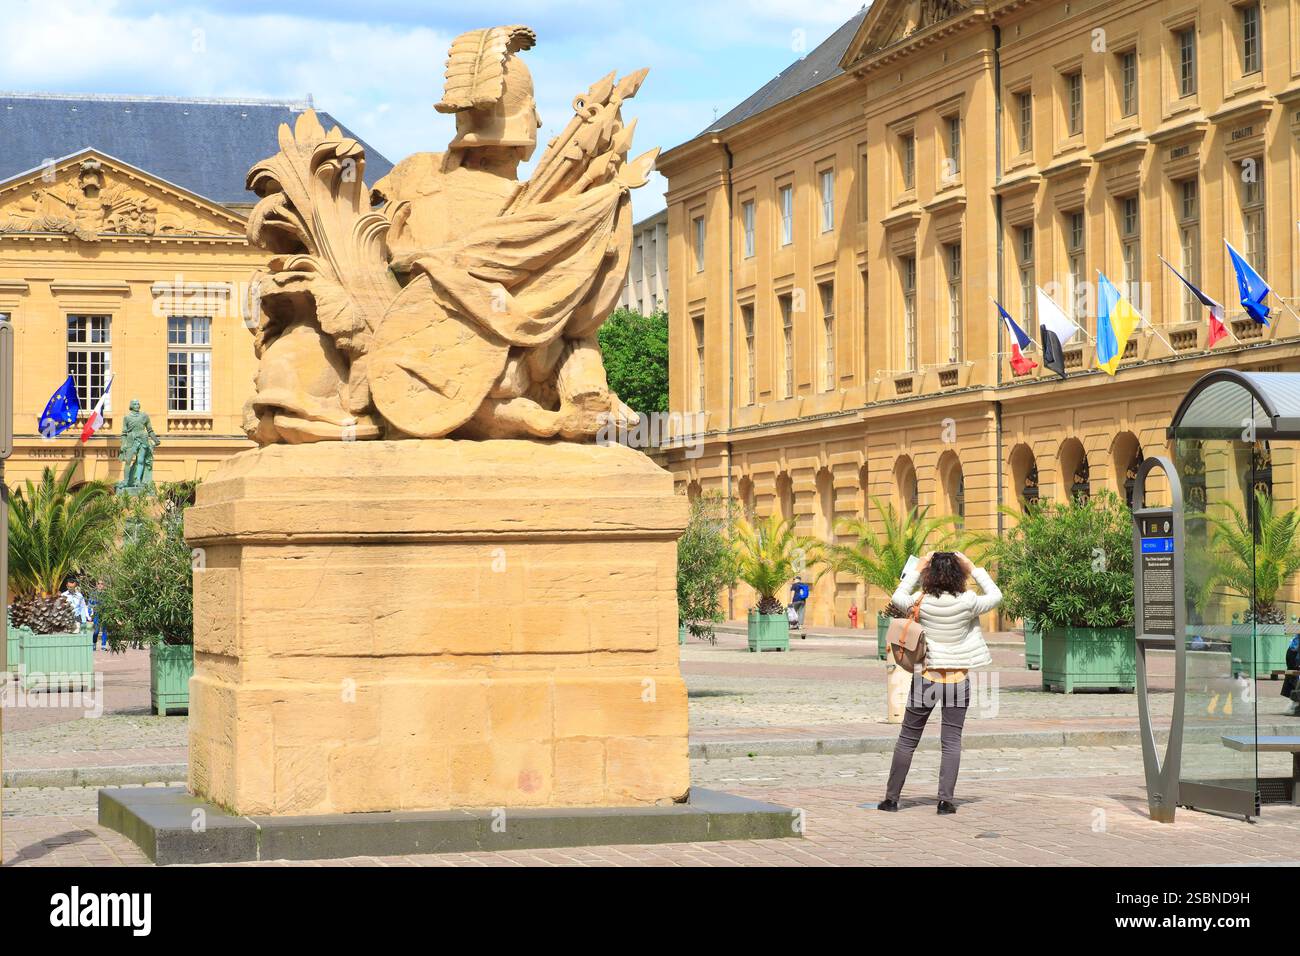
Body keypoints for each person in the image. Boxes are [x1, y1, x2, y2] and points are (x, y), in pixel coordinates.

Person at [878, 550, 999, 815]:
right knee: (952, 740)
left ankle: (891, 799)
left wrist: (917, 568)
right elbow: (996, 595)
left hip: (927, 678)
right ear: (959, 573)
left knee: (908, 739)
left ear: (930, 574)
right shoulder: (968, 601)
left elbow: (898, 597)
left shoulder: (921, 600)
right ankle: (945, 802)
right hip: (957, 679)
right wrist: (974, 567)